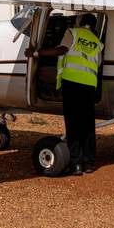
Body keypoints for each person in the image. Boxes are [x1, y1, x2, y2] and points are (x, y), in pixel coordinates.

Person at [36, 12, 102, 175]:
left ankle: (76, 164)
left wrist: (37, 53)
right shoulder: (98, 43)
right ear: (93, 26)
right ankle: (89, 163)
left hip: (72, 83)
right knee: (87, 125)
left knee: (73, 124)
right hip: (89, 86)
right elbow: (97, 64)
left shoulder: (72, 32)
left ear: (81, 22)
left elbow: (61, 50)